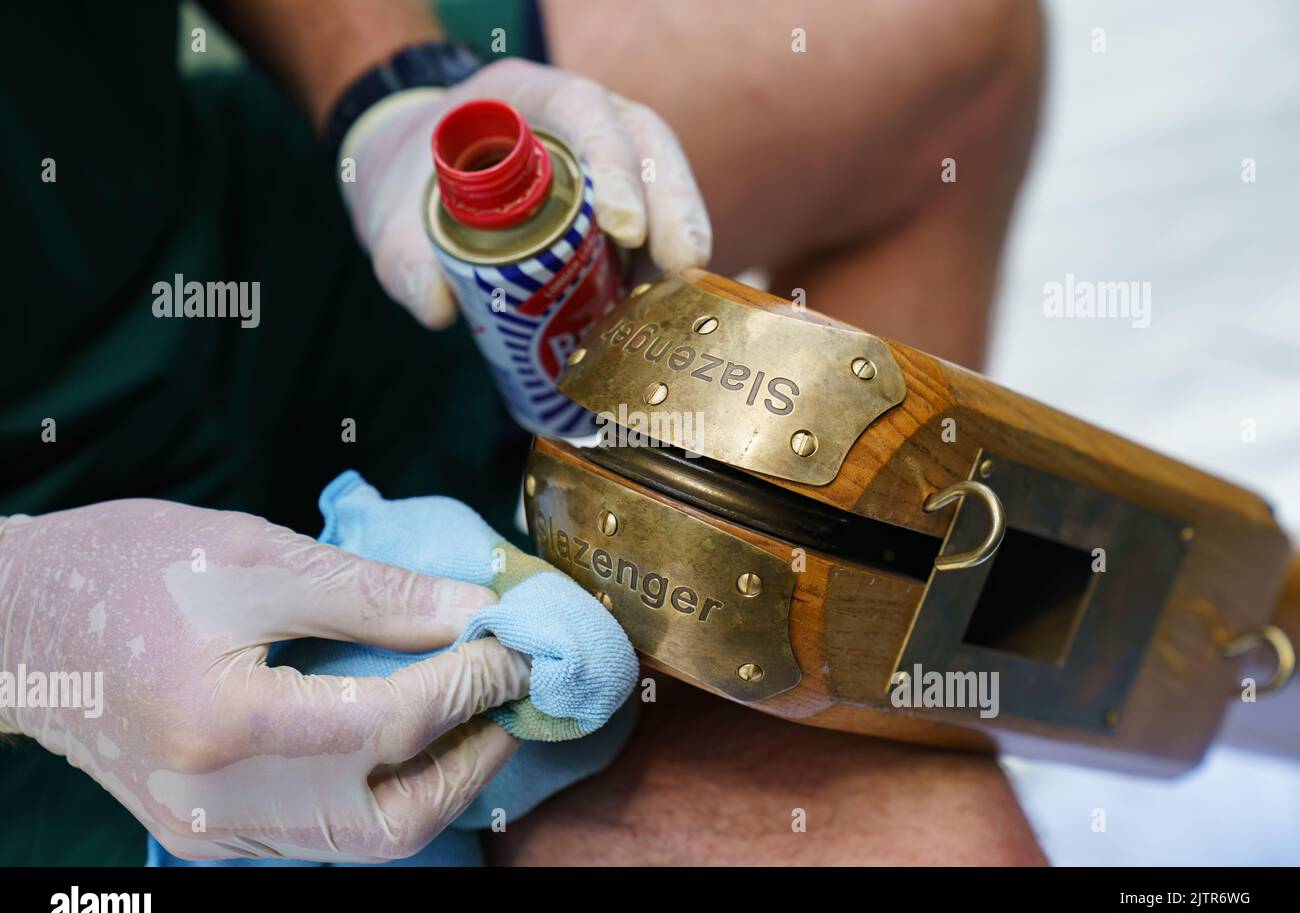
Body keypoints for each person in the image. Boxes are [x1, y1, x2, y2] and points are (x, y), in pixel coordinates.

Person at [0, 0, 1046, 865]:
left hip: (215, 247)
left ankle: (845, 632)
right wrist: (30, 623)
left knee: (940, 39)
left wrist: (386, 90)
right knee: (941, 851)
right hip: (66, 702)